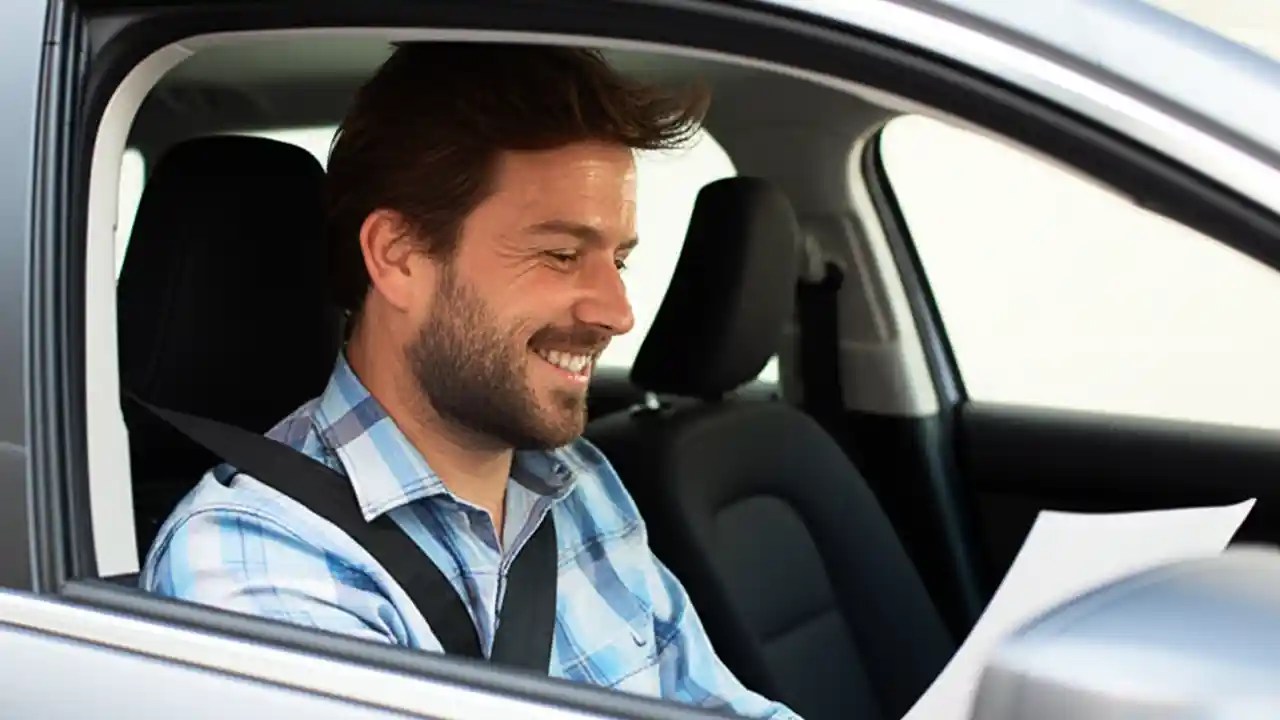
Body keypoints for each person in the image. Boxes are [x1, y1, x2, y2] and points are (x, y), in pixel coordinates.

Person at [141, 42, 801, 719]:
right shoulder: (258, 567)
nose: (618, 313)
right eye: (561, 254)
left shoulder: (580, 482)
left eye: (619, 260)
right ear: (399, 258)